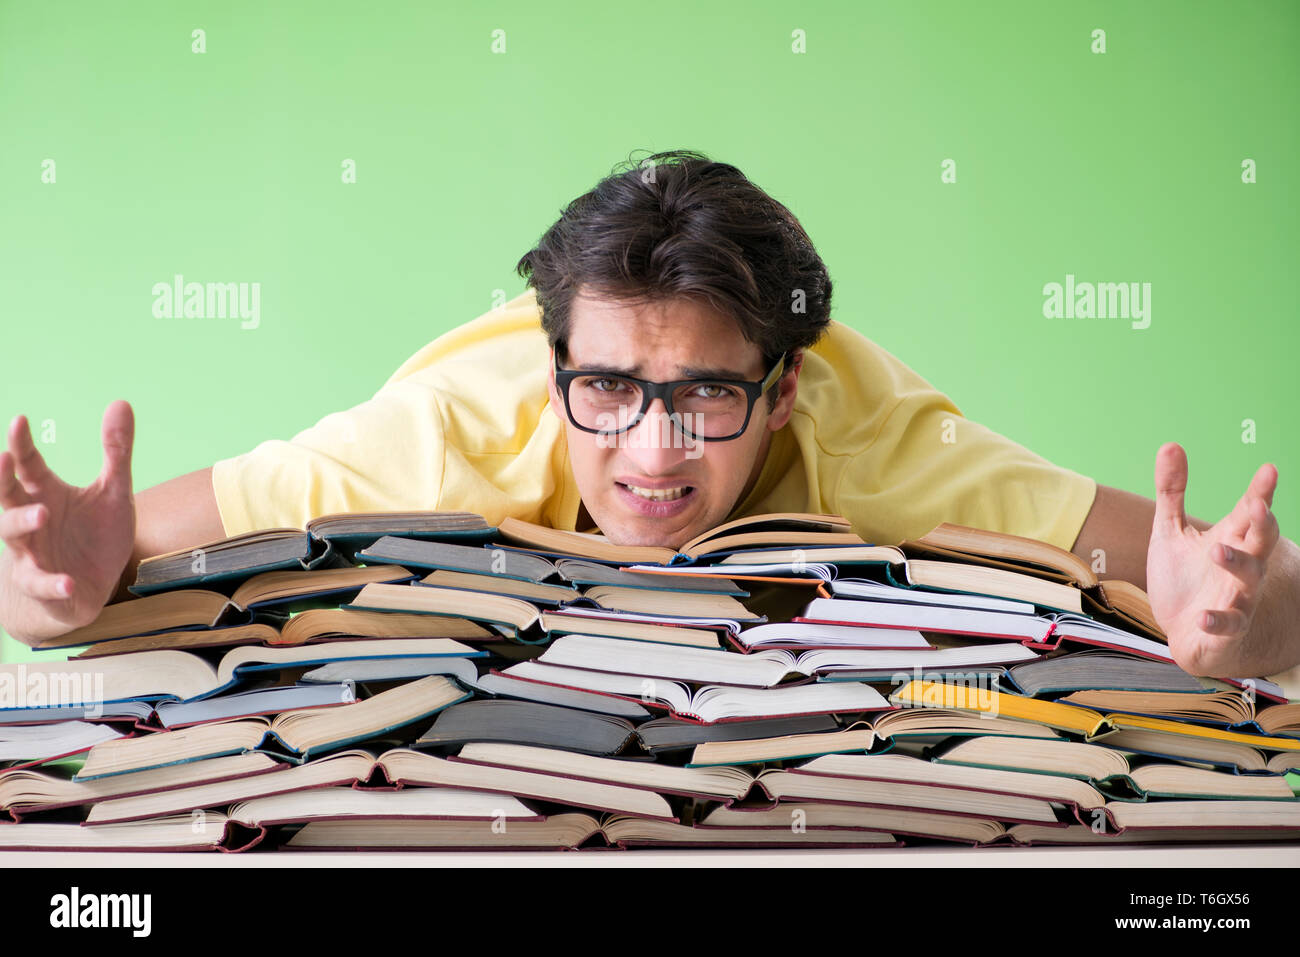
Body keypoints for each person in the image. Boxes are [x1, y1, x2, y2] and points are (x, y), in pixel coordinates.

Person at [2, 150, 1297, 695]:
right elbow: (71, 589)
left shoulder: (864, 432)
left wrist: (1232, 612)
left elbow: (1272, 607)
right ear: (558, 363)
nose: (653, 448)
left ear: (783, 389)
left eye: (707, 398)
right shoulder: (455, 429)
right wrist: (55, 587)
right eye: (608, 391)